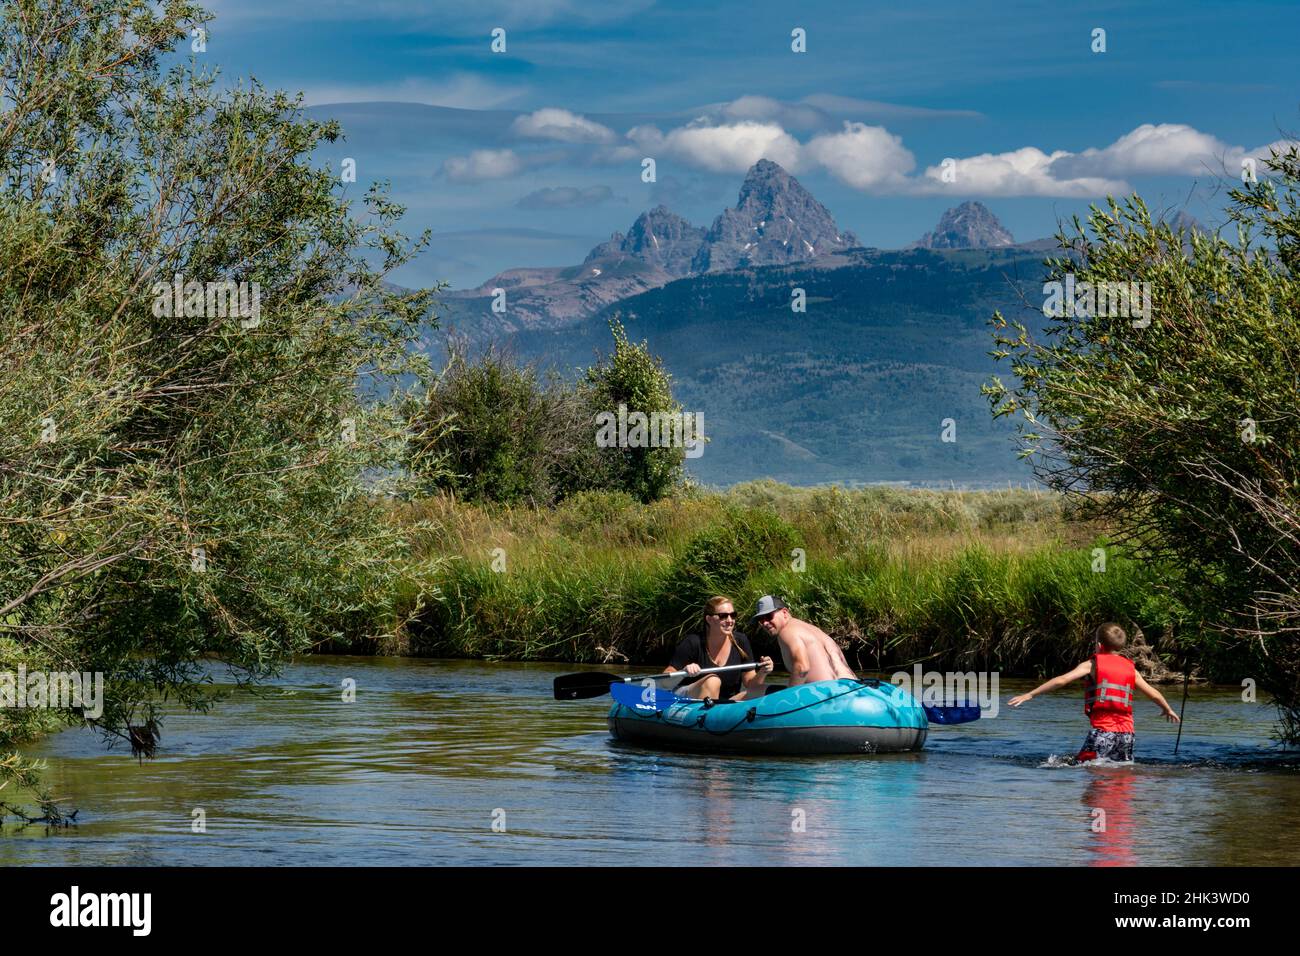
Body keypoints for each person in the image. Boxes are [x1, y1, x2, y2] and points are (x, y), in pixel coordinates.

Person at [1008, 622, 1180, 762]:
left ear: (1099, 645)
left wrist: (1030, 694)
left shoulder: (1093, 665)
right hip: (1127, 734)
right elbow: (1153, 693)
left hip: (1103, 732)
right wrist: (1167, 709)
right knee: (1120, 771)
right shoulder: (1131, 669)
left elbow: (1061, 680)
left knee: (1084, 766)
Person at [665, 596, 773, 701]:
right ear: (709, 619)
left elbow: (750, 684)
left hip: (723, 703)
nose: (730, 620)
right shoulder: (692, 642)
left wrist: (762, 672)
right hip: (687, 699)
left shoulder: (741, 641)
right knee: (712, 681)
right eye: (723, 616)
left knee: (766, 691)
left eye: (733, 615)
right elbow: (665, 679)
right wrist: (684, 670)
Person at [751, 595, 856, 686]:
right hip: (853, 687)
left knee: (755, 690)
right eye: (761, 620)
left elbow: (802, 668)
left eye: (769, 616)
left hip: (827, 695)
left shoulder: (787, 632)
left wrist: (789, 699)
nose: (764, 623)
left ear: (784, 612)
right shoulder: (816, 631)